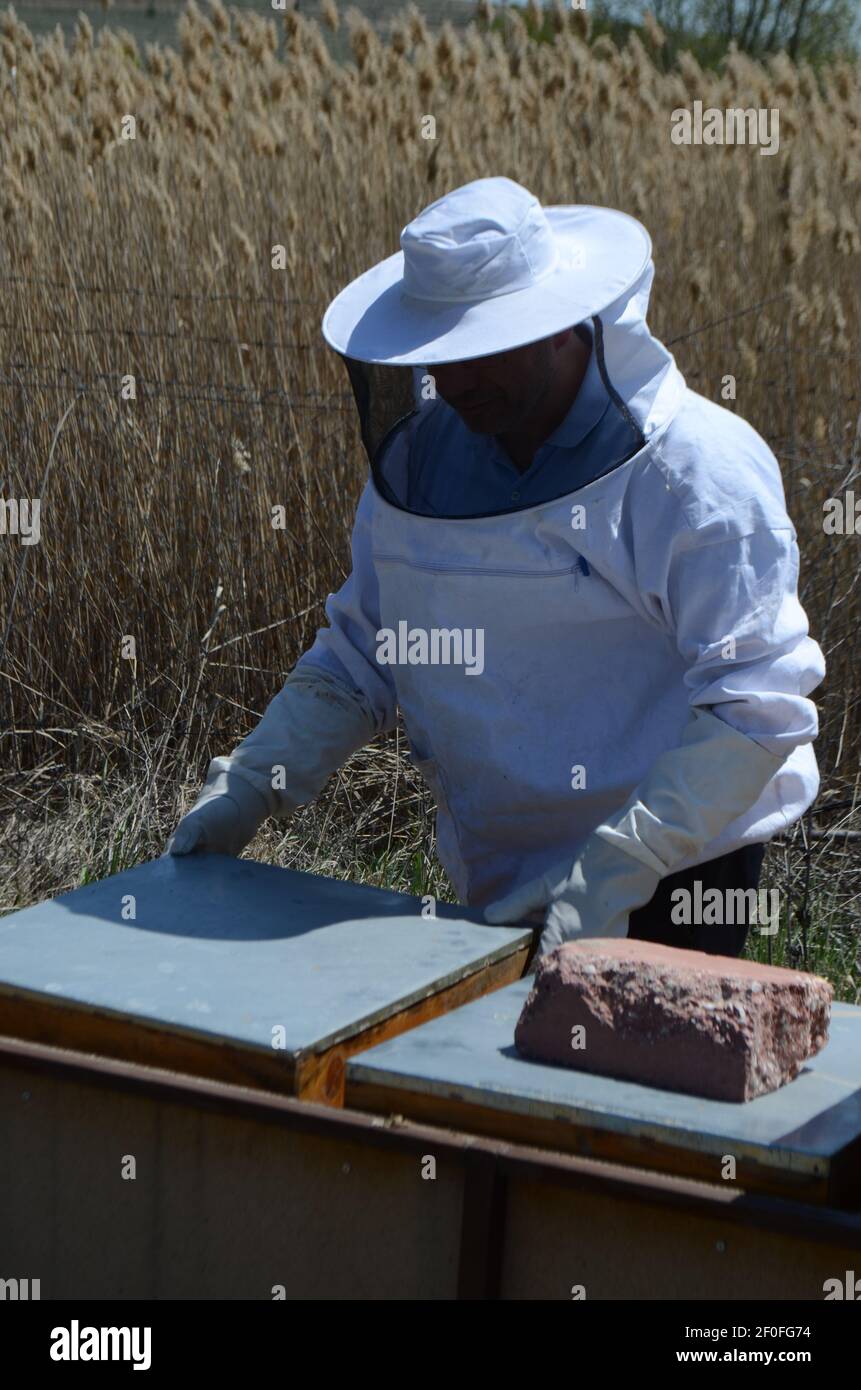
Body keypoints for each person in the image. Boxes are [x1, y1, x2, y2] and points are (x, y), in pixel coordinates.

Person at [165, 176, 825, 964]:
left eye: (482, 351)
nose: (456, 383)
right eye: (440, 357)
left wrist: (622, 865)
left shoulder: (695, 475)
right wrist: (250, 782)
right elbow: (366, 653)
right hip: (494, 861)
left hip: (679, 869)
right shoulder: (423, 465)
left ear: (560, 326)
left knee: (642, 1078)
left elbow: (754, 703)